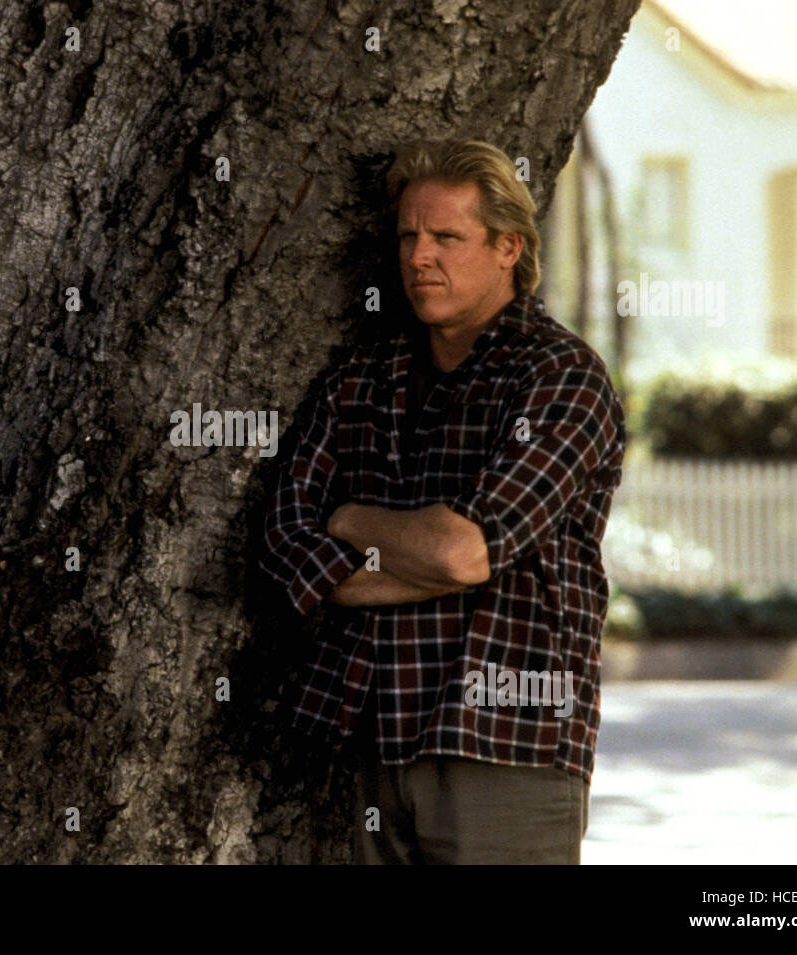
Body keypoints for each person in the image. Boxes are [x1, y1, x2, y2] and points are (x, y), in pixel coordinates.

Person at [259, 139, 627, 864]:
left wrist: (351, 522)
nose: (420, 256)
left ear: (507, 248)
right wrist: (427, 556)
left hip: (504, 744)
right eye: (408, 236)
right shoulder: (363, 377)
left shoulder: (561, 378)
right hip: (365, 739)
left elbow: (466, 550)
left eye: (446, 237)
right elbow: (284, 551)